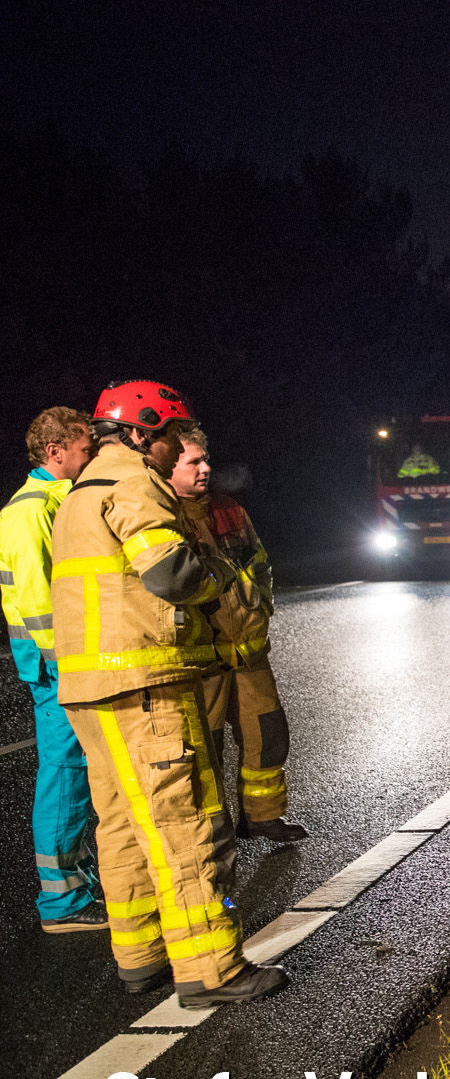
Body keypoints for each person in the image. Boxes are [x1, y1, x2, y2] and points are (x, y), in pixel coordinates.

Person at [52, 380, 286, 1006]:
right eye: (168, 437)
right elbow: (172, 571)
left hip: (87, 685)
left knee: (123, 821)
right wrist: (220, 581)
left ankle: (141, 955)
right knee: (188, 823)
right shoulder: (134, 482)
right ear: (139, 434)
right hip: (146, 683)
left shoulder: (79, 491)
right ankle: (213, 970)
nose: (175, 448)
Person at [168, 429, 307, 843]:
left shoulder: (229, 510)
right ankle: (213, 829)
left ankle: (262, 817)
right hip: (201, 660)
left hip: (248, 653)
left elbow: (259, 562)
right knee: (203, 751)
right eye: (193, 462)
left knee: (267, 735)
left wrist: (260, 608)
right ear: (166, 466)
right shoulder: (159, 515)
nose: (206, 468)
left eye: (206, 459)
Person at [1, 407, 105, 932]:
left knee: (78, 779)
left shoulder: (58, 501)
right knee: (64, 780)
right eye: (85, 449)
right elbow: (38, 600)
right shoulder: (28, 511)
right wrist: (69, 668)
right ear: (55, 452)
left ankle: (76, 890)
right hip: (60, 670)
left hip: (71, 665)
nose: (92, 457)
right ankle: (62, 903)